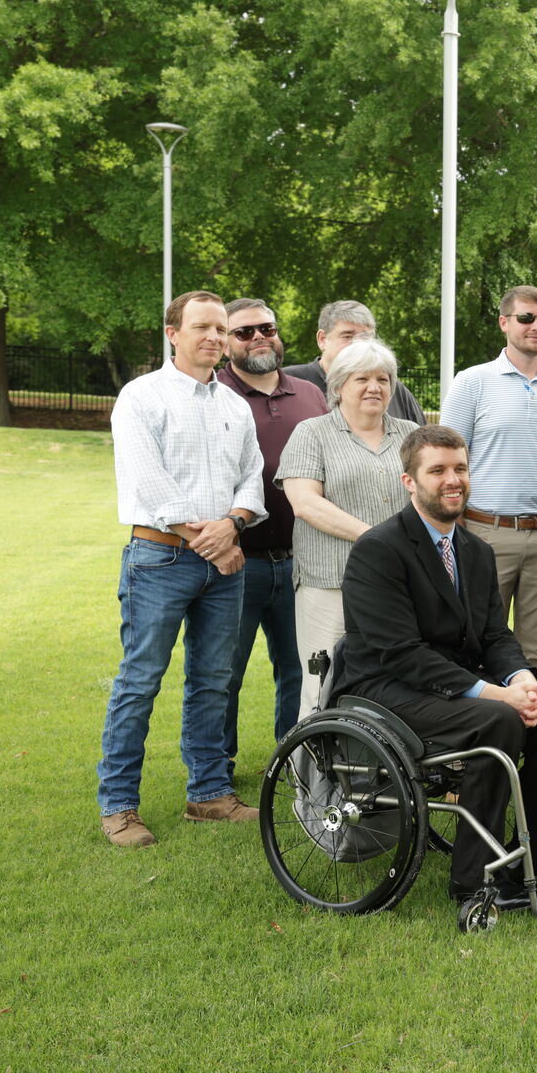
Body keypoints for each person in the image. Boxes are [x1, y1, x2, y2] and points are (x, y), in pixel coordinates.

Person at [337, 425, 537, 908]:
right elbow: (401, 653)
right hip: (386, 688)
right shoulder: (379, 550)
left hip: (451, 684)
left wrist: (522, 679)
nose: (452, 480)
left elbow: (495, 635)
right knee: (498, 716)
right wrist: (497, 695)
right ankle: (475, 877)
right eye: (437, 471)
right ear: (409, 481)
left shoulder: (475, 550)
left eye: (460, 469)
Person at [97, 290, 267, 847]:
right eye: (203, 327)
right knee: (140, 681)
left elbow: (252, 479)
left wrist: (233, 526)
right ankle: (119, 806)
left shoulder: (235, 405)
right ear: (173, 332)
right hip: (158, 559)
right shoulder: (141, 397)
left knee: (214, 682)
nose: (215, 337)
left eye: (221, 328)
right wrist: (213, 540)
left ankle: (209, 795)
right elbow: (152, 484)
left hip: (223, 563)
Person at [441, 285, 537, 682]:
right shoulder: (472, 382)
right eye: (526, 318)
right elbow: (447, 464)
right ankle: (482, 736)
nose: (536, 326)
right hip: (482, 533)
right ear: (504, 323)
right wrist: (451, 532)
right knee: (471, 642)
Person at [215, 298, 328, 772]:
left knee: (299, 671)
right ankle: (215, 768)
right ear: (225, 342)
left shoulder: (311, 394)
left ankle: (291, 758)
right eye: (244, 332)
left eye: (267, 328)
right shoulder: (214, 394)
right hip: (236, 562)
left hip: (302, 560)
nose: (260, 337)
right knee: (222, 674)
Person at [276, 337, 416, 718]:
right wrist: (377, 539)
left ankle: (380, 772)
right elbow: (305, 503)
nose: (375, 387)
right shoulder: (312, 433)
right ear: (338, 386)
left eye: (383, 379)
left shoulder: (409, 436)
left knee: (395, 678)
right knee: (324, 682)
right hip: (330, 581)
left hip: (398, 584)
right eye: (362, 379)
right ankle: (315, 777)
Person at [286, 300, 427, 424]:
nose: (358, 344)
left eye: (366, 337)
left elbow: (422, 445)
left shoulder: (393, 390)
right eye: (348, 336)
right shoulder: (289, 383)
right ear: (322, 339)